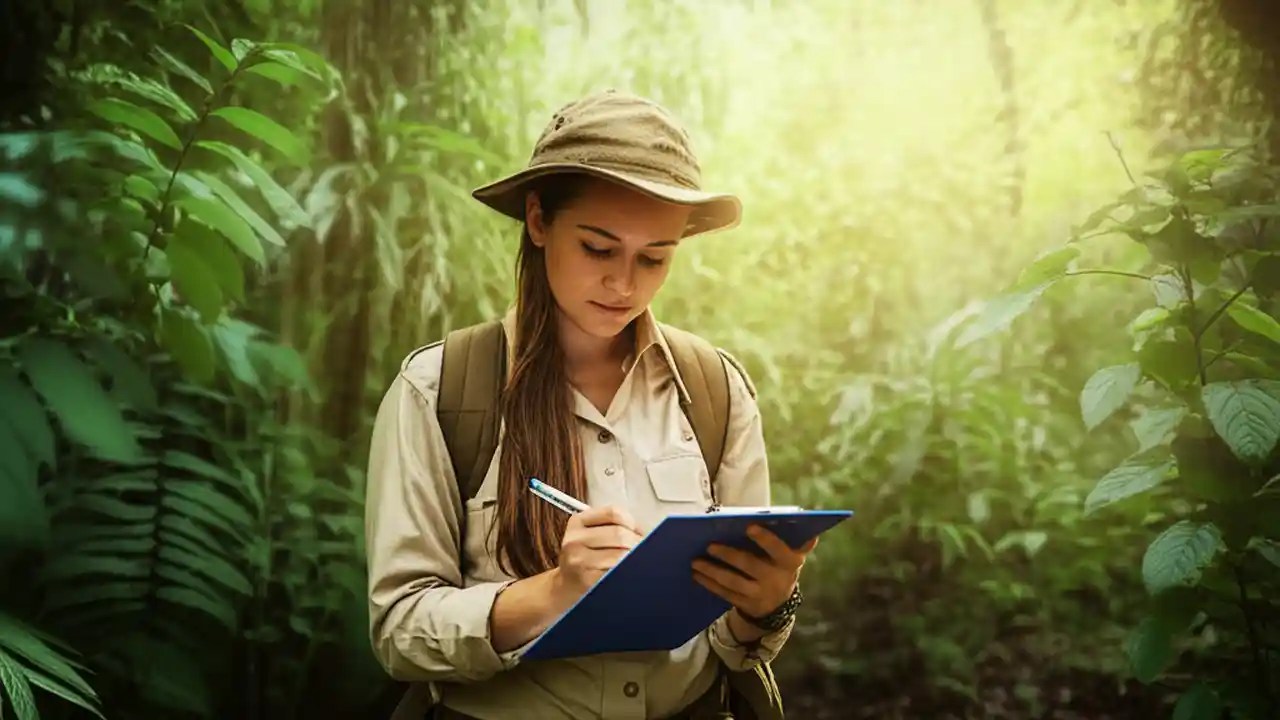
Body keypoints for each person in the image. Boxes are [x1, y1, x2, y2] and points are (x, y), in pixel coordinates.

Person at [364, 89, 818, 720]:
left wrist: (766, 603)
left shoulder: (714, 389)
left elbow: (735, 647)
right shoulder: (440, 389)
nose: (623, 283)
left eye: (654, 258)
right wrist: (554, 591)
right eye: (598, 249)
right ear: (538, 221)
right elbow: (399, 631)